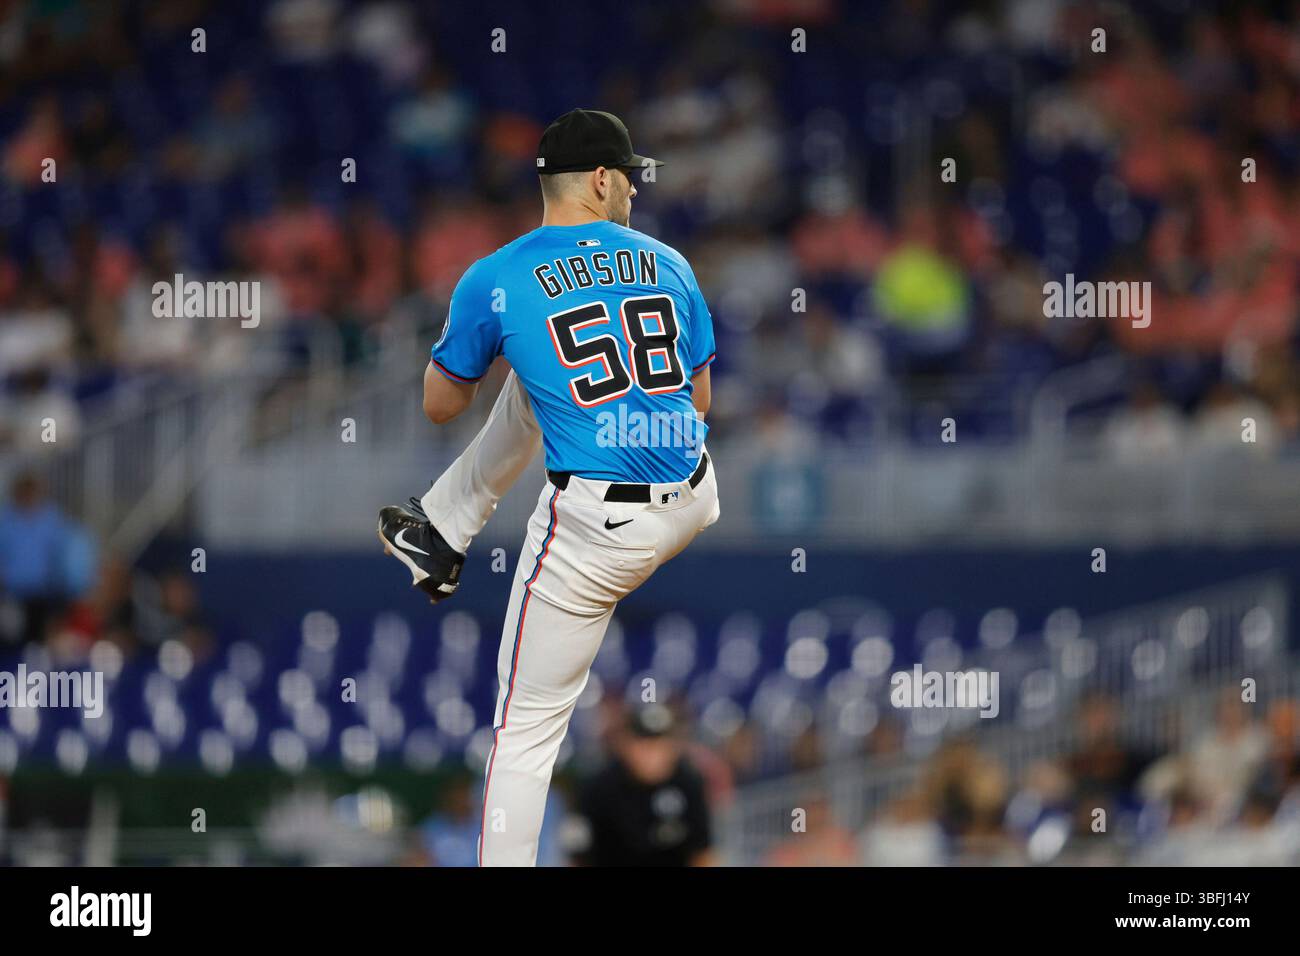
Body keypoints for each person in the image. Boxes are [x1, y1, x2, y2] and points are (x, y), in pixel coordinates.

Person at [376, 110, 720, 866]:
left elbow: (440, 405)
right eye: (629, 175)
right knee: (547, 386)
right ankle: (441, 523)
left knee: (526, 731)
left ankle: (445, 522)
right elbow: (696, 405)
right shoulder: (672, 263)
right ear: (601, 179)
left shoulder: (495, 274)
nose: (634, 187)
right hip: (695, 493)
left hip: (597, 528)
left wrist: (476, 346)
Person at [568, 703, 714, 867]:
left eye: (659, 743)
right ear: (624, 744)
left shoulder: (688, 784)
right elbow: (578, 855)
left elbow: (702, 851)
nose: (652, 753)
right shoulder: (597, 788)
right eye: (643, 742)